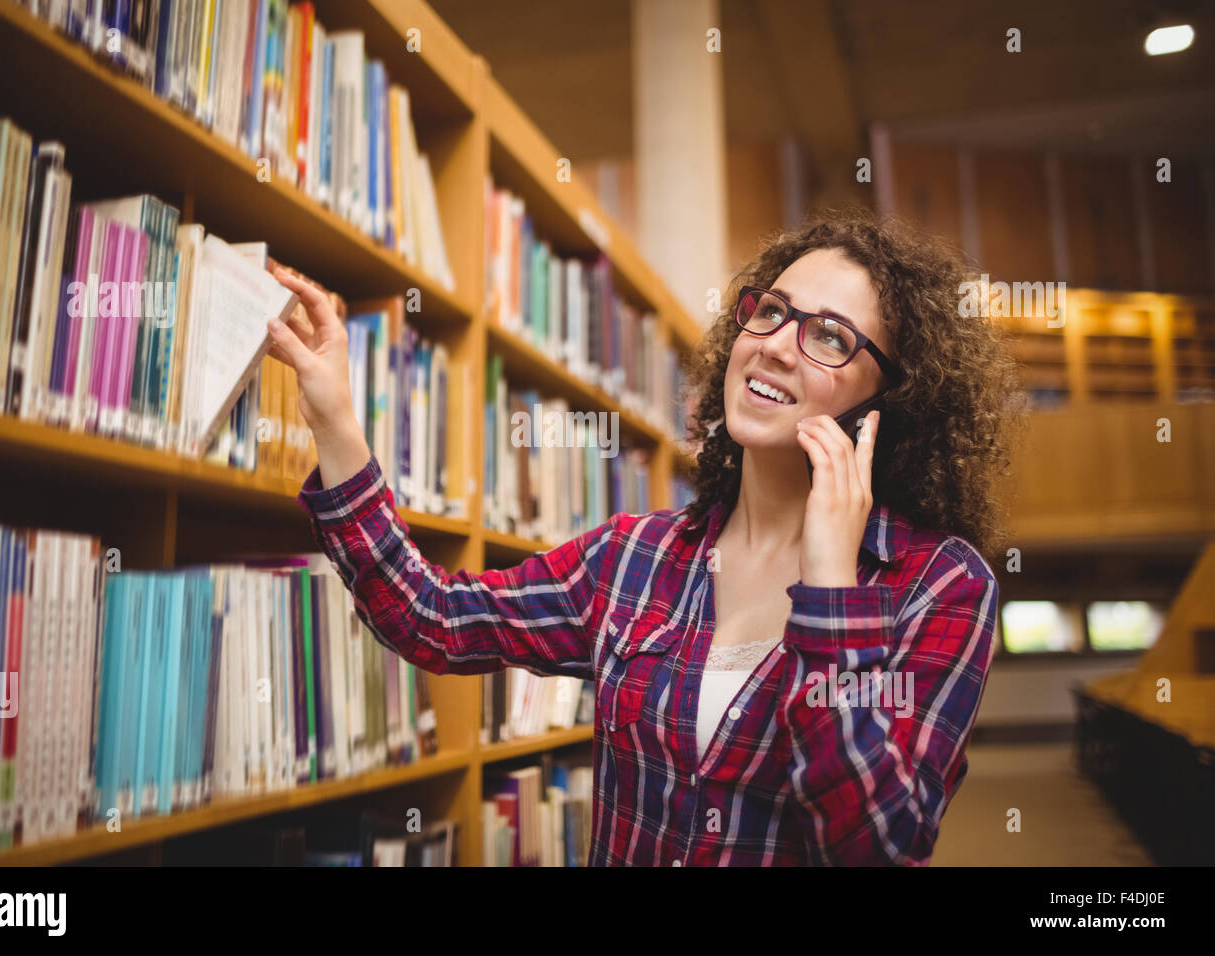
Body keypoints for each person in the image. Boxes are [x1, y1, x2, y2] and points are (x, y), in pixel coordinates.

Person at [267, 207, 1027, 866]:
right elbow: (431, 619)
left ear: (889, 399)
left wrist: (829, 593)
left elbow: (876, 846)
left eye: (829, 337)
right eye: (771, 311)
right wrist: (335, 417)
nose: (777, 344)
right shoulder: (635, 557)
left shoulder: (939, 587)